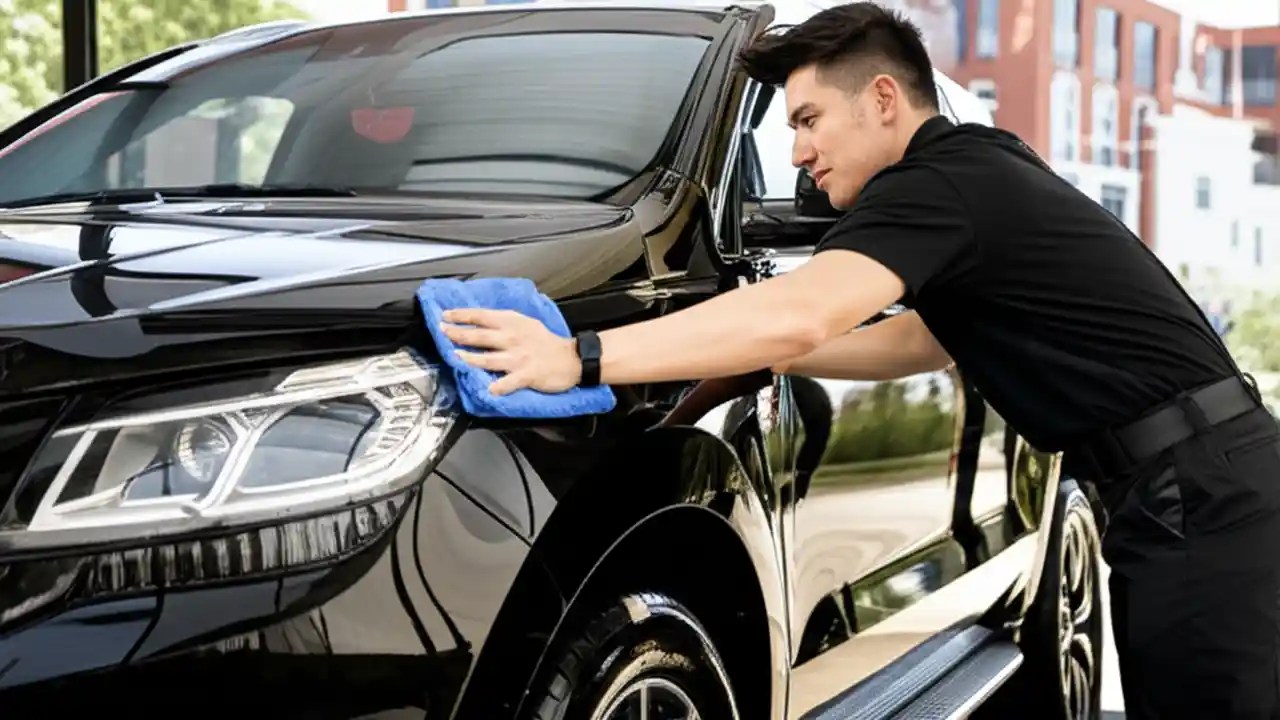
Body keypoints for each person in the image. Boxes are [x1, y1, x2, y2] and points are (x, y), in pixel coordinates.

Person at [438, 3, 1280, 718]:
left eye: (808, 120)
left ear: (883, 99)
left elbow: (803, 309)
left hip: (1198, 503)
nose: (799, 152)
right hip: (1196, 492)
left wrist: (577, 358)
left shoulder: (934, 186)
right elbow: (921, 340)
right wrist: (776, 362)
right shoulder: (976, 169)